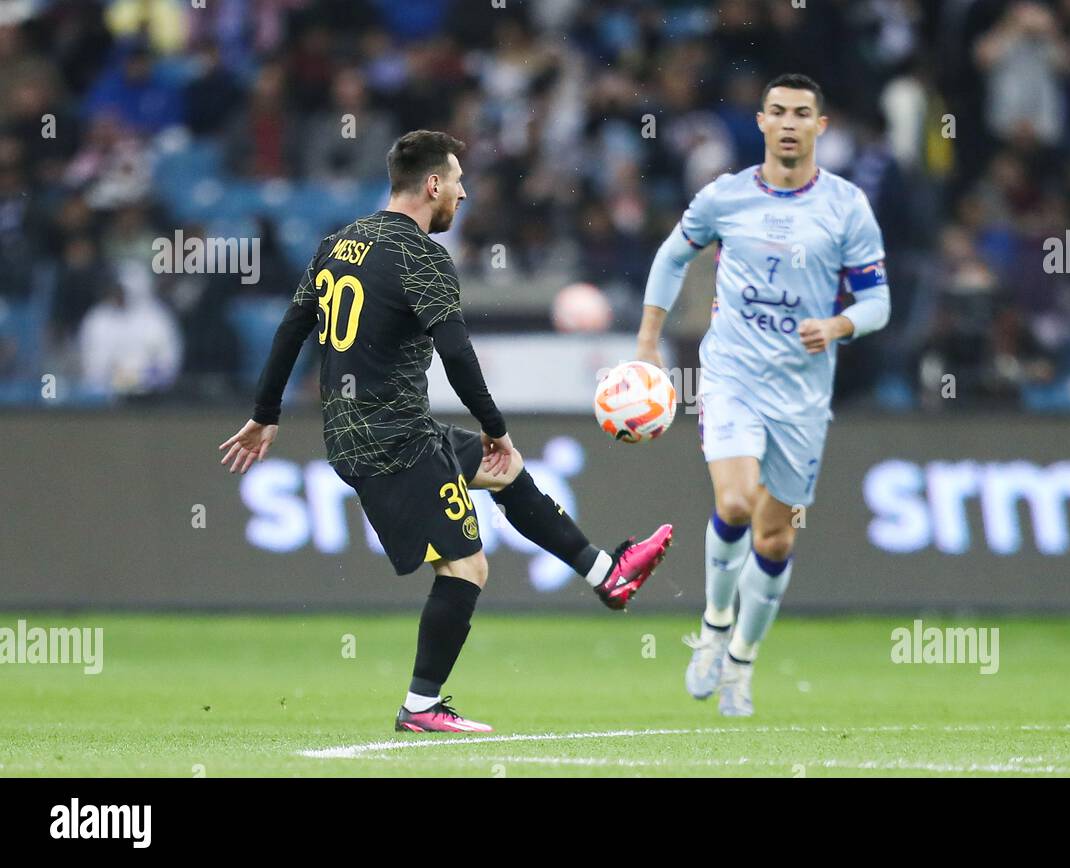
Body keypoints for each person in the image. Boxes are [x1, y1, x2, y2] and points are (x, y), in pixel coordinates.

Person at [219, 130, 672, 733]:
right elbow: (456, 354)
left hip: (373, 430)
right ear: (432, 184)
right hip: (393, 440)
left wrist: (265, 413)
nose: (463, 194)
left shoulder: (338, 243)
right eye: (458, 181)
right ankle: (421, 706)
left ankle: (606, 575)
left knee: (505, 474)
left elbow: (291, 330)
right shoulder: (421, 257)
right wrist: (496, 426)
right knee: (467, 567)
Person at [636, 74, 890, 716]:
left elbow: (880, 301)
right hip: (732, 378)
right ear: (760, 122)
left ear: (819, 127)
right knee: (736, 500)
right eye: (777, 111)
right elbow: (671, 257)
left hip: (802, 398)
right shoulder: (725, 198)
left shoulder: (847, 207)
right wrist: (647, 346)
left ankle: (742, 665)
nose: (788, 123)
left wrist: (838, 324)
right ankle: (715, 625)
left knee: (776, 540)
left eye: (802, 113)